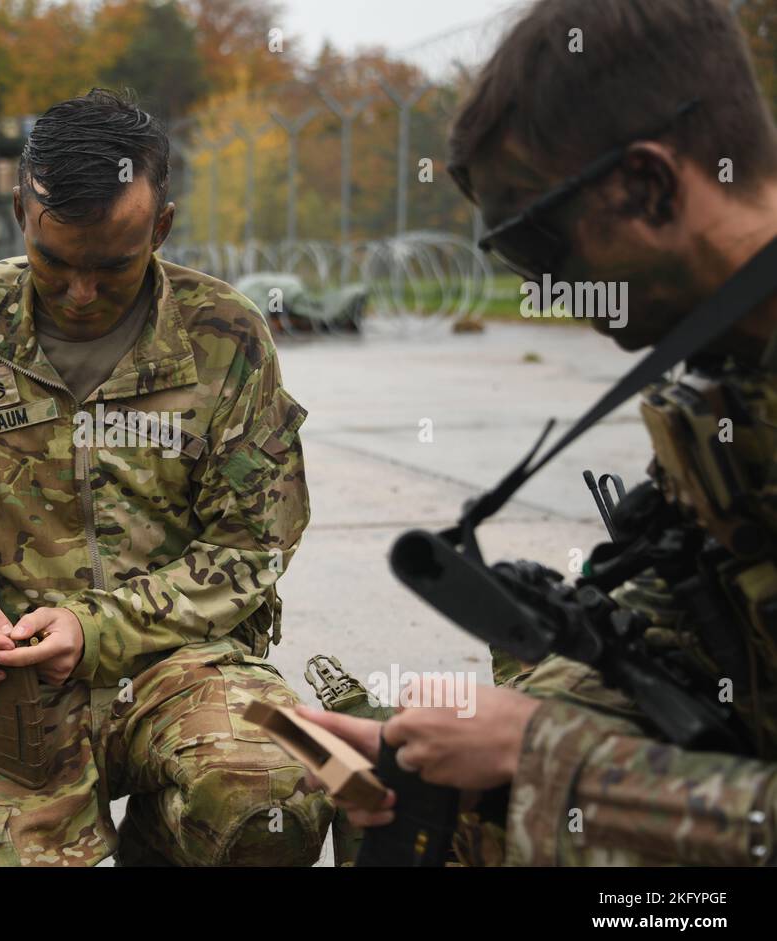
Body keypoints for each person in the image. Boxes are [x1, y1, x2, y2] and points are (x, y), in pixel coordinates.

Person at [301, 0, 777, 866]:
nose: (547, 293)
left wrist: (546, 754)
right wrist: (447, 748)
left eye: (540, 248)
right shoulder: (735, 373)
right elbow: (680, 626)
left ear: (647, 185)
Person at [0, 89, 332, 866]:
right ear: (19, 214)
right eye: (55, 261)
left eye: (112, 266)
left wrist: (96, 628)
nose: (80, 293)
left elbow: (252, 546)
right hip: (8, 693)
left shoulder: (224, 335)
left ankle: (168, 844)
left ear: (161, 227)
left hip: (183, 664)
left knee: (275, 799)